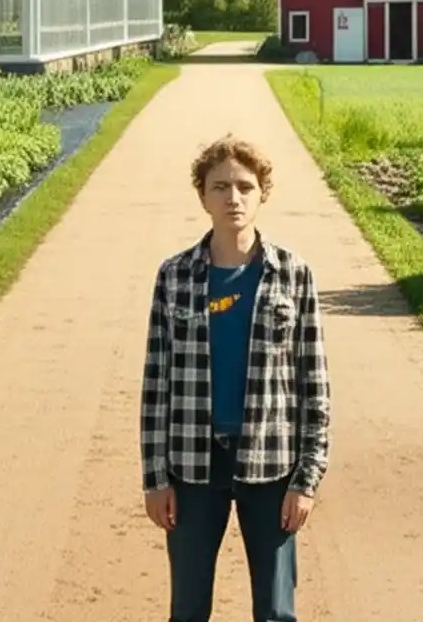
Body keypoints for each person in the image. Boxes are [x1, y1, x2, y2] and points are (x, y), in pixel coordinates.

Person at [139, 134, 331, 622]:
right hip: (191, 466)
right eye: (220, 186)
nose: (233, 197)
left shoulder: (294, 275)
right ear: (202, 195)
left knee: (274, 611)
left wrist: (306, 480)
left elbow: (315, 386)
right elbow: (155, 385)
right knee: (187, 610)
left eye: (245, 186)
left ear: (263, 192)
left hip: (271, 464)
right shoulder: (175, 276)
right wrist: (155, 479)